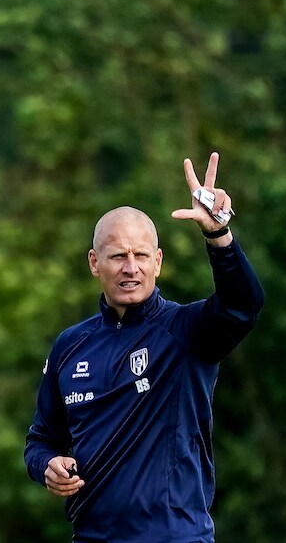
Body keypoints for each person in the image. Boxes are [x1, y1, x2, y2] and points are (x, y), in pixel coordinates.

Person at [24, 152, 265, 543]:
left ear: (158, 262)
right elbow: (40, 440)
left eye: (140, 256)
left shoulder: (185, 332)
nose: (130, 268)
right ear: (94, 263)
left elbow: (243, 306)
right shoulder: (70, 346)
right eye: (118, 256)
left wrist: (218, 236)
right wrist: (47, 465)